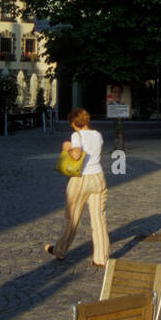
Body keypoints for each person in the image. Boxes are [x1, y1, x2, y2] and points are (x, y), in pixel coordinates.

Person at [45, 108, 110, 267]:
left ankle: (60, 250)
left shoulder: (76, 135)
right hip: (98, 178)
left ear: (74, 123)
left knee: (72, 218)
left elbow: (76, 155)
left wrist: (67, 146)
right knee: (99, 219)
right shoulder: (98, 135)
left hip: (81, 179)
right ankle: (101, 258)